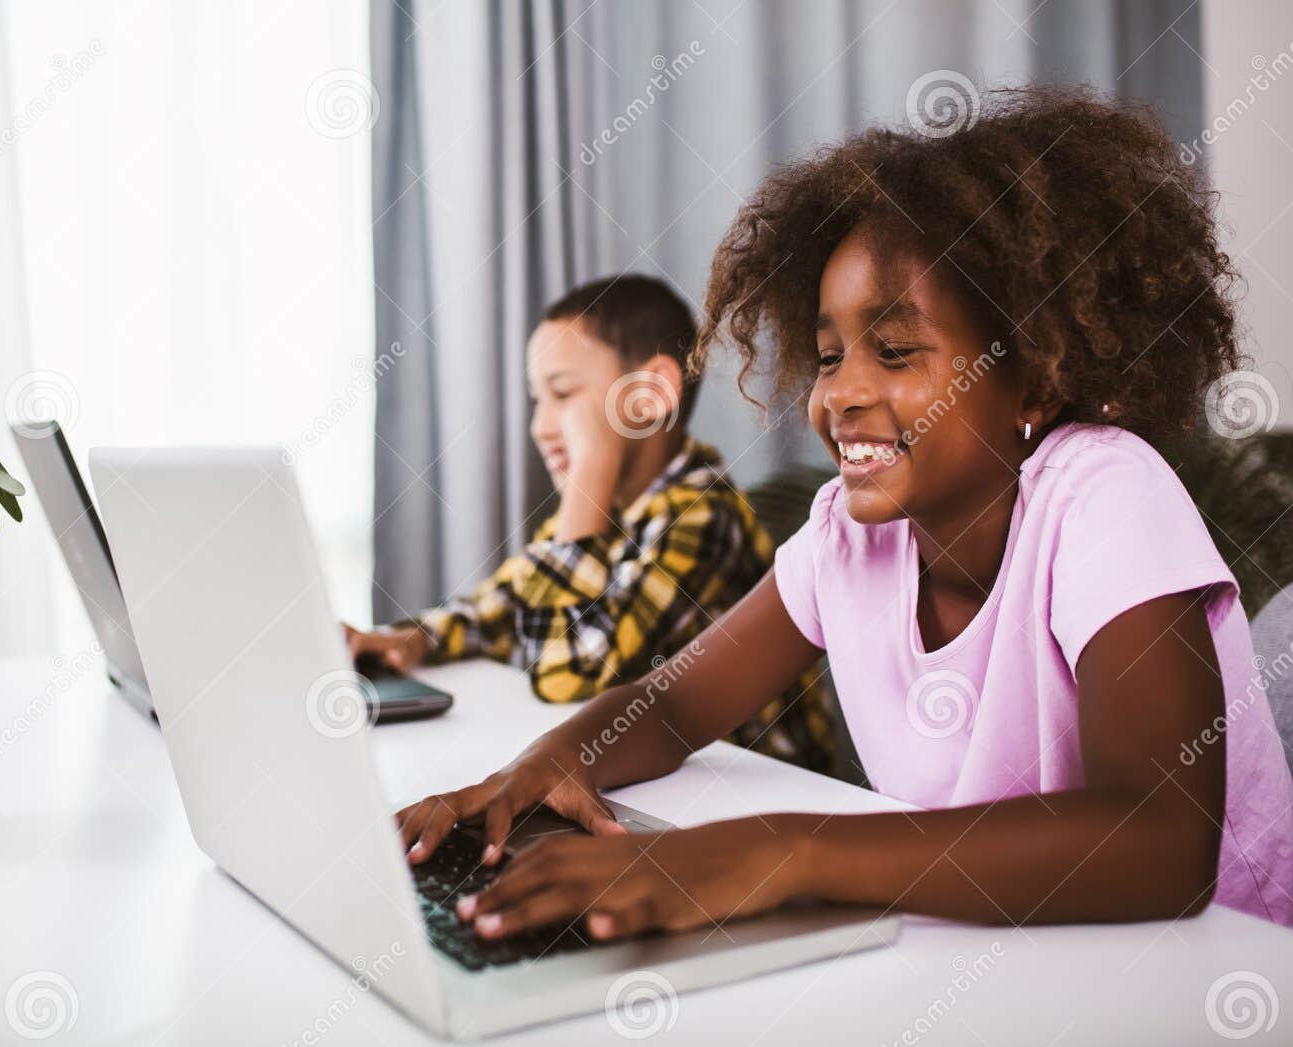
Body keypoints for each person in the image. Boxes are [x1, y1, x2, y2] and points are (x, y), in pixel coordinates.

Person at [396, 88, 1293, 928]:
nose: (841, 395)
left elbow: (1163, 847)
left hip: (1213, 983)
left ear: (1036, 376)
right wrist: (542, 766)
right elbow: (670, 708)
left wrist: (783, 850)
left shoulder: (1103, 493)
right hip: (1007, 960)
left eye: (896, 350)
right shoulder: (846, 538)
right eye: (828, 357)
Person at [349, 275, 832, 770]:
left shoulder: (703, 515)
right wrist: (412, 638)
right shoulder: (611, 512)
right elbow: (502, 606)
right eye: (538, 399)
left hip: (757, 793)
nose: (540, 426)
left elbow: (566, 674)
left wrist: (589, 472)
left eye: (562, 394)